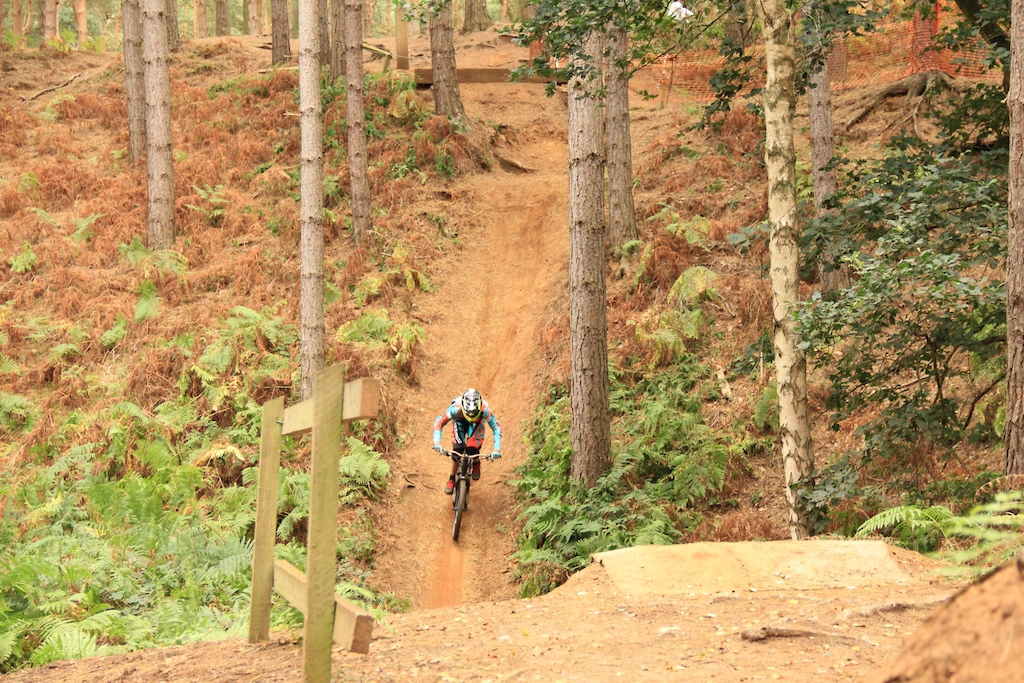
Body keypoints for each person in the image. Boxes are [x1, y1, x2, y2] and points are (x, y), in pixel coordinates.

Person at [432, 388, 502, 495]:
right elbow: (439, 423)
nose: (471, 417)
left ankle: (476, 461)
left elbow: (496, 428)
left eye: (474, 413)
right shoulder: (455, 409)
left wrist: (496, 449)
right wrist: (437, 442)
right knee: (457, 450)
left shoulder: (485, 410)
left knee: (472, 447)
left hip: (478, 422)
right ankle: (451, 478)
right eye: (469, 413)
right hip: (459, 420)